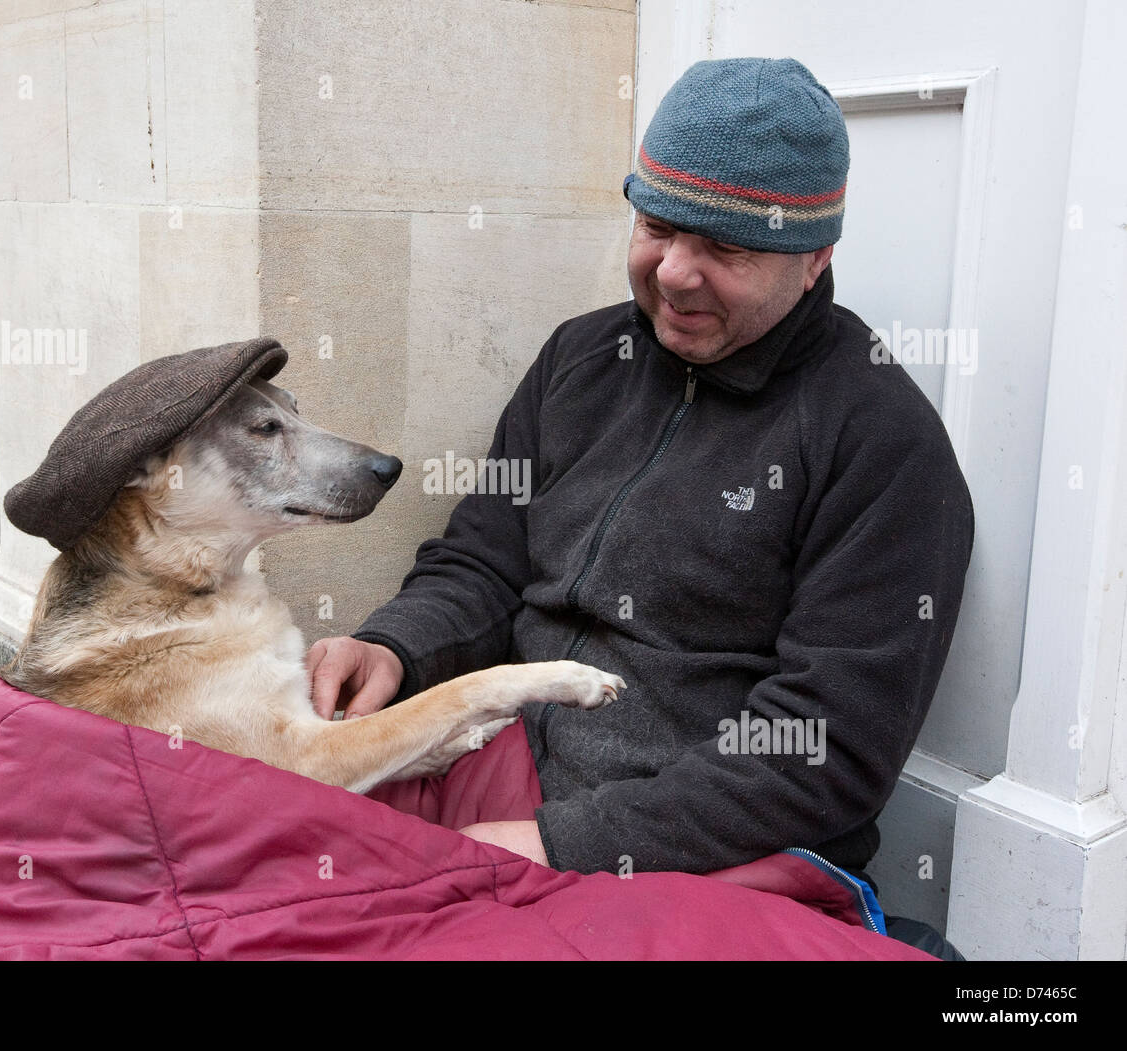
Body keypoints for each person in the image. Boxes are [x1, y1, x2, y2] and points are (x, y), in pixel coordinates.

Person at [304, 57, 974, 878]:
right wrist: (395, 648)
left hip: (689, 841)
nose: (673, 273)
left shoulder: (883, 442)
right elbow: (481, 563)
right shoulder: (581, 357)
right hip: (493, 758)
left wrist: (566, 844)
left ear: (814, 257)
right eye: (656, 226)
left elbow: (823, 745)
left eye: (724, 247)